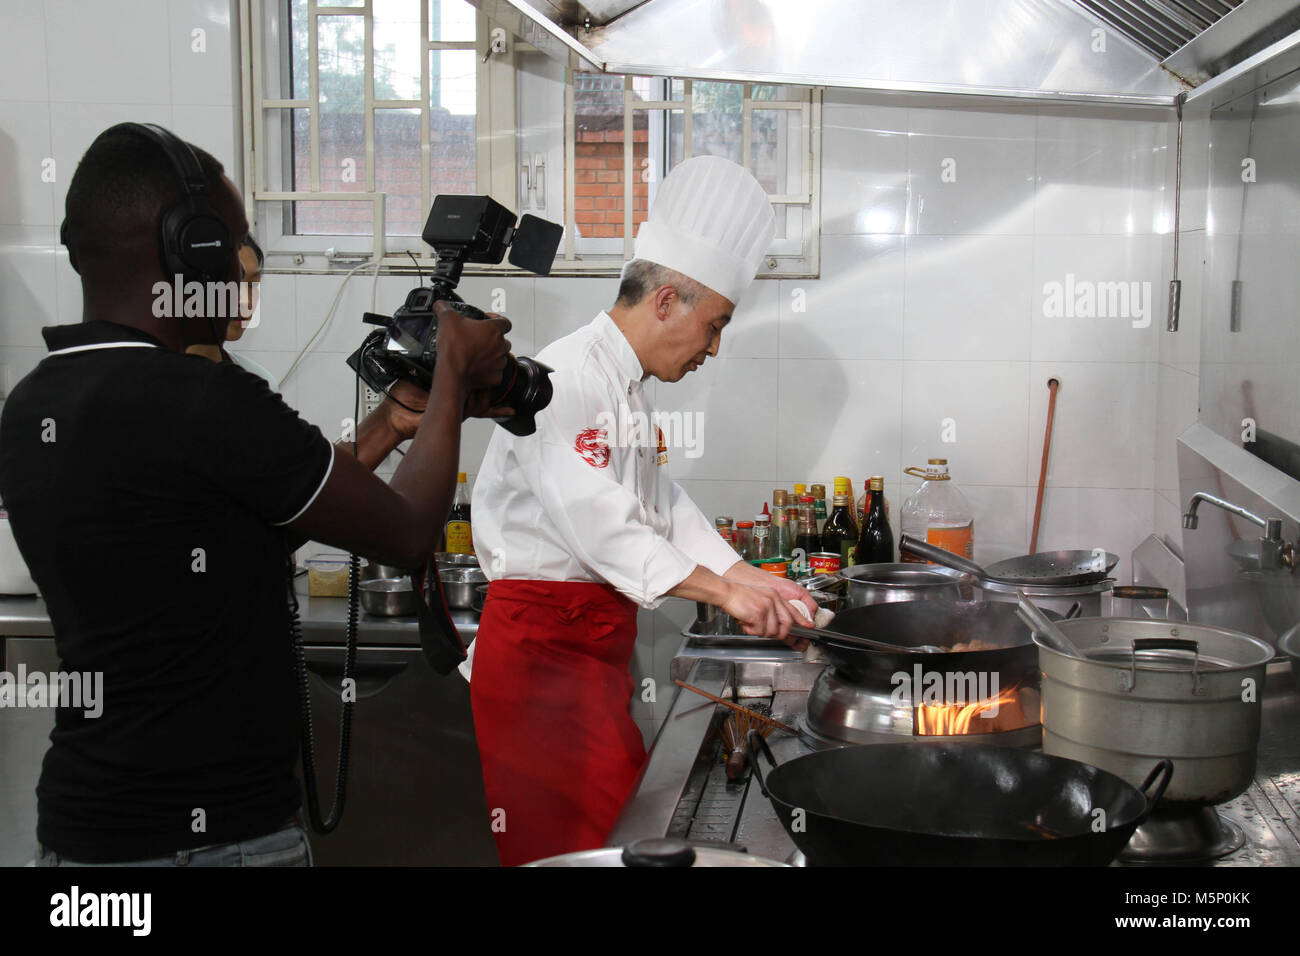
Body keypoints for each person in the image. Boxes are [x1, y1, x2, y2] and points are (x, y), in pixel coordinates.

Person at [0, 122, 512, 866]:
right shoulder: (201, 398)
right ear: (191, 252)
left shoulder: (33, 402)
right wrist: (454, 375)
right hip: (213, 844)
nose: (242, 279)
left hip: (83, 838)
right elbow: (405, 533)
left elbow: (235, 520)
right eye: (231, 247)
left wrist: (393, 423)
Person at [469, 155, 816, 866]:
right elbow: (604, 526)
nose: (715, 348)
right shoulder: (564, 381)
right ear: (665, 303)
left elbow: (658, 501)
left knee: (615, 845)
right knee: (575, 855)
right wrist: (723, 592)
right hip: (539, 666)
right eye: (715, 325)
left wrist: (744, 575)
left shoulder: (624, 384)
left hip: (588, 660)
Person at [185, 234, 279, 387]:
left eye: (252, 285)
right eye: (230, 284)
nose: (245, 301)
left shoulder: (259, 383)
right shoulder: (148, 381)